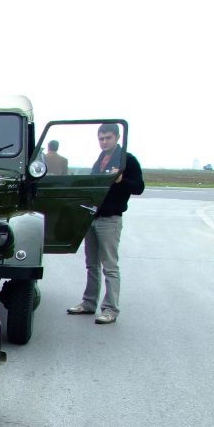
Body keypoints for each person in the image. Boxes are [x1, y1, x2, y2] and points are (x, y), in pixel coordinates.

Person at [67, 123, 144, 325]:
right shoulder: (101, 159)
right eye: (101, 138)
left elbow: (139, 187)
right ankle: (89, 302)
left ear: (117, 137)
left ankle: (110, 309)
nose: (104, 142)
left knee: (109, 266)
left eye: (107, 138)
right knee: (91, 264)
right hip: (92, 217)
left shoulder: (128, 160)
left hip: (110, 219)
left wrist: (121, 180)